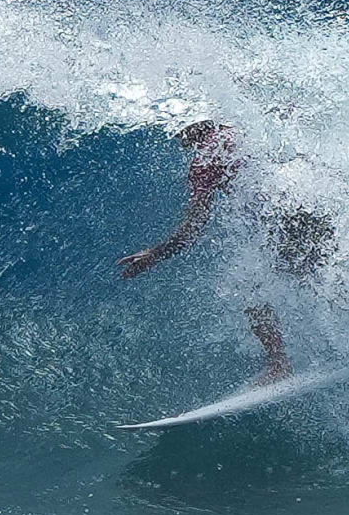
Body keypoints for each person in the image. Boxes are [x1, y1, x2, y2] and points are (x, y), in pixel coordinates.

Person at [117, 118, 333, 382]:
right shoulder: (243, 131)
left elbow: (193, 227)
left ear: (194, 125)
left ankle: (280, 366)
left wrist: (156, 253)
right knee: (323, 278)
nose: (175, 136)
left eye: (177, 127)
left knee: (252, 289)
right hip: (315, 209)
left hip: (283, 223)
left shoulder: (205, 161)